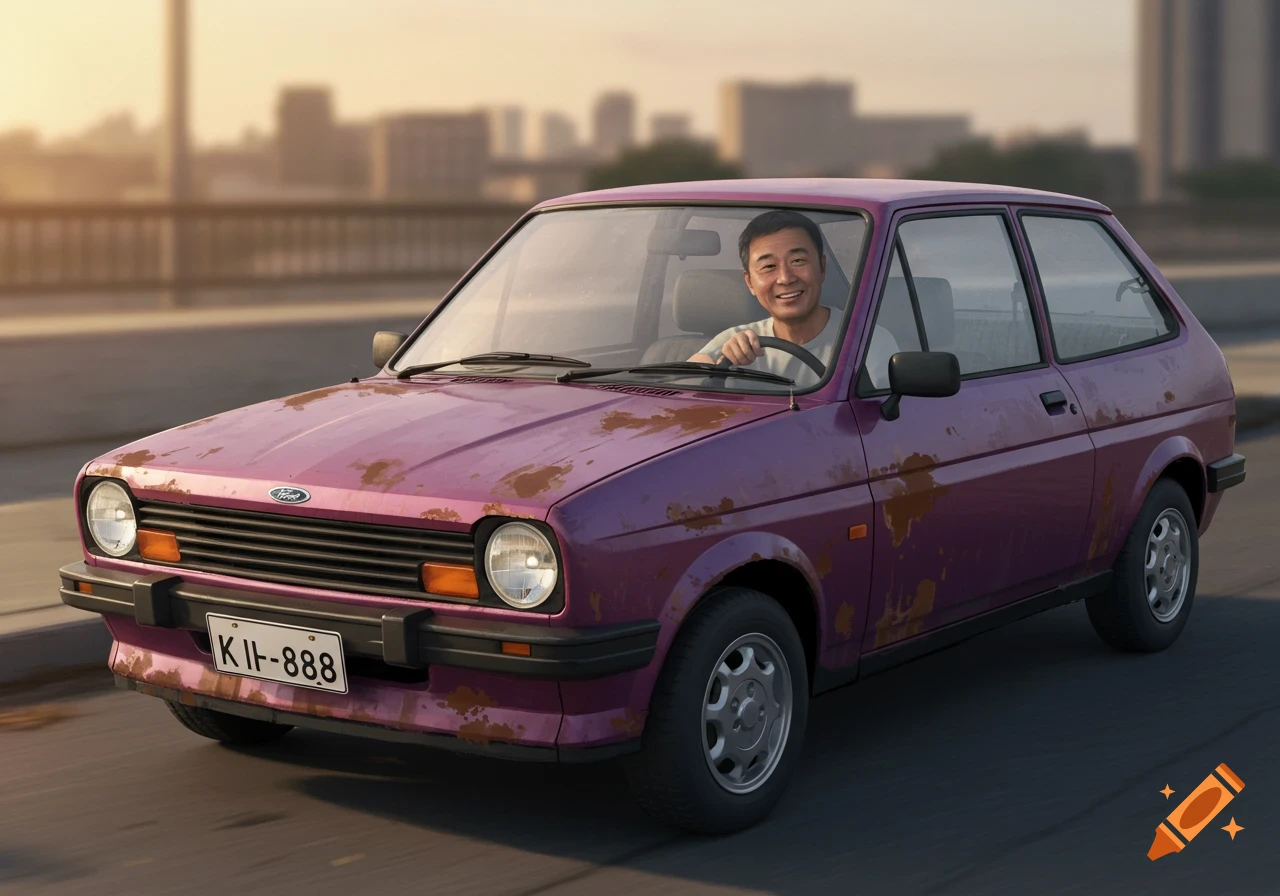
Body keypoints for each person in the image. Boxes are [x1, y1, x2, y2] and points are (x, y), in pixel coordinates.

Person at [688, 209, 900, 389]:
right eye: (768, 266)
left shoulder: (867, 342)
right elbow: (682, 389)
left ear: (822, 267)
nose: (785, 278)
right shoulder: (735, 342)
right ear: (750, 282)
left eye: (797, 261)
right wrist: (716, 366)